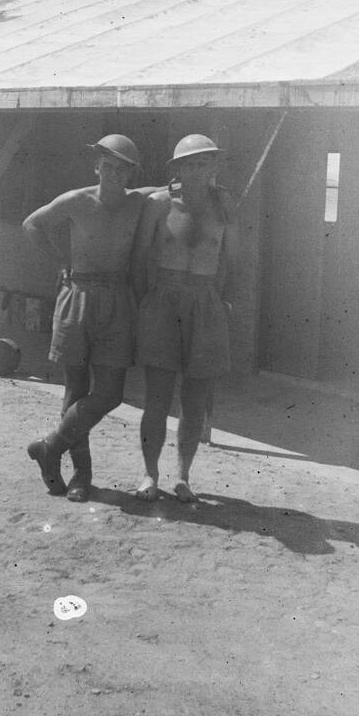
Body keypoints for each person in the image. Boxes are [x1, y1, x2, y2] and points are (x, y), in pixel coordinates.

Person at [22, 134, 151, 503]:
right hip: (78, 296)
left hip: (118, 299)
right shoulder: (77, 200)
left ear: (131, 173)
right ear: (97, 167)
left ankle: (50, 447)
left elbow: (170, 190)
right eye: (108, 166)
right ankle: (82, 474)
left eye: (123, 169)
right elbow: (32, 224)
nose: (114, 174)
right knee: (75, 390)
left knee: (109, 394)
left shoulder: (138, 202)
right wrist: (61, 262)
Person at [131, 134, 238, 503]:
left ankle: (183, 476)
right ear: (176, 169)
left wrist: (220, 302)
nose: (196, 170)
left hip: (205, 303)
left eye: (203, 163)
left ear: (214, 166)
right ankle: (150, 474)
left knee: (195, 399)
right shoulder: (159, 204)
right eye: (189, 164)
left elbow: (232, 260)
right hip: (164, 301)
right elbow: (139, 258)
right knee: (157, 398)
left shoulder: (224, 208)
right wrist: (147, 303)